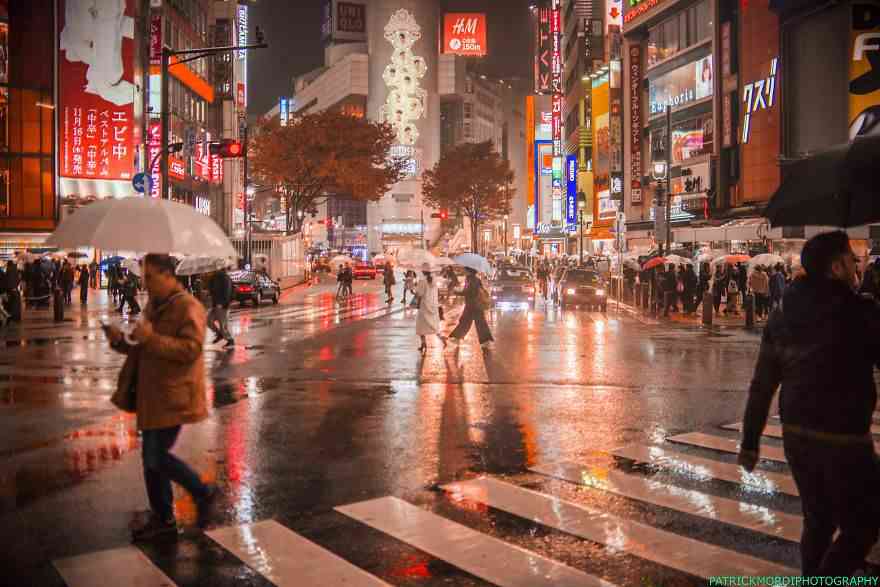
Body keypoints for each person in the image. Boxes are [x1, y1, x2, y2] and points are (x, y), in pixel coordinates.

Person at [738, 231, 880, 577]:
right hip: (844, 439)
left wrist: (750, 442)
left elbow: (763, 383)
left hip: (797, 436)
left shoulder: (782, 314)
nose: (857, 264)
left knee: (818, 520)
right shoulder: (858, 311)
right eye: (851, 258)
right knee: (864, 525)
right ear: (836, 267)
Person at [103, 254, 216, 541]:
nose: (146, 282)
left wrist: (150, 338)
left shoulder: (188, 306)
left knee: (155, 457)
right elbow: (143, 347)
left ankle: (202, 493)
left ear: (168, 275)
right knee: (150, 459)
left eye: (151, 276)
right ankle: (163, 516)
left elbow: (191, 349)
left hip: (173, 393)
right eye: (144, 276)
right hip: (152, 394)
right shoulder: (155, 305)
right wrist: (120, 340)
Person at [449, 267, 494, 349]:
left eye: (465, 270)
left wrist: (456, 292)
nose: (463, 271)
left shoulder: (473, 280)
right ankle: (486, 341)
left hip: (473, 305)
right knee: (474, 322)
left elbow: (469, 292)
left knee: (468, 322)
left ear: (469, 271)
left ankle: (457, 338)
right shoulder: (471, 279)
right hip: (473, 305)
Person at [415, 264, 446, 353]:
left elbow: (419, 294)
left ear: (423, 271)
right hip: (433, 306)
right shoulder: (434, 280)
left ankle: (423, 344)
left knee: (420, 327)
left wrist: (414, 290)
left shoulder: (422, 281)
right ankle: (442, 339)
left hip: (424, 307)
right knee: (433, 326)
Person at [207, 268, 234, 347]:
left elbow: (227, 291)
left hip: (223, 305)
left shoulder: (225, 278)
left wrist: (222, 303)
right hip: (215, 305)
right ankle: (219, 334)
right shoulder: (214, 277)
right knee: (208, 320)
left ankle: (230, 340)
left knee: (223, 326)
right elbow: (213, 290)